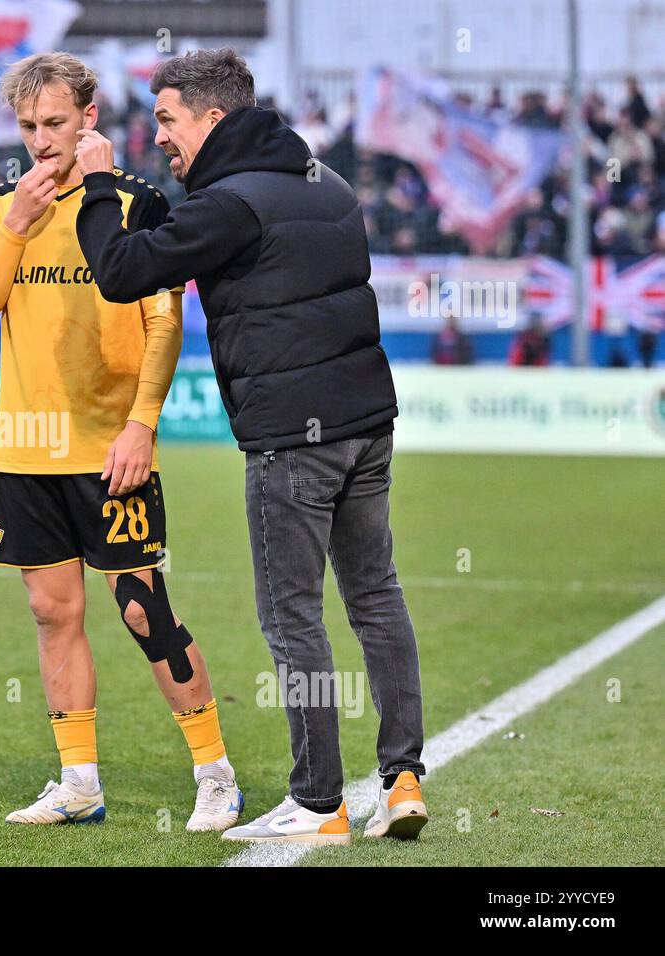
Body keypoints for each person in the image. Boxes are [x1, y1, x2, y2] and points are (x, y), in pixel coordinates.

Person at [74, 48, 427, 845]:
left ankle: (317, 799)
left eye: (167, 119)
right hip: (368, 425)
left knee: (291, 613)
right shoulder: (324, 182)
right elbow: (227, 245)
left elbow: (122, 272)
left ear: (213, 118)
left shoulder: (232, 203)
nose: (159, 136)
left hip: (290, 436)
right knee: (375, 595)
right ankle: (401, 776)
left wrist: (99, 187)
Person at [0, 53, 243, 833]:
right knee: (53, 614)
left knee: (145, 610)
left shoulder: (135, 202)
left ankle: (214, 774)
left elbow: (163, 319)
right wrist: (13, 226)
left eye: (55, 123)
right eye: (28, 127)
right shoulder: (0, 205)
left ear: (88, 117)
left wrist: (142, 425)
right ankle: (77, 780)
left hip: (109, 446)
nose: (41, 140)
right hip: (25, 450)